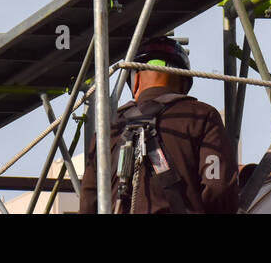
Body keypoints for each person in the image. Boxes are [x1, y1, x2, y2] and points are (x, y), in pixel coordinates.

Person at [78, 36, 238, 213]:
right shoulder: (202, 116)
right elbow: (218, 188)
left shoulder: (109, 128)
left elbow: (89, 201)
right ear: (184, 81)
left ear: (135, 80)